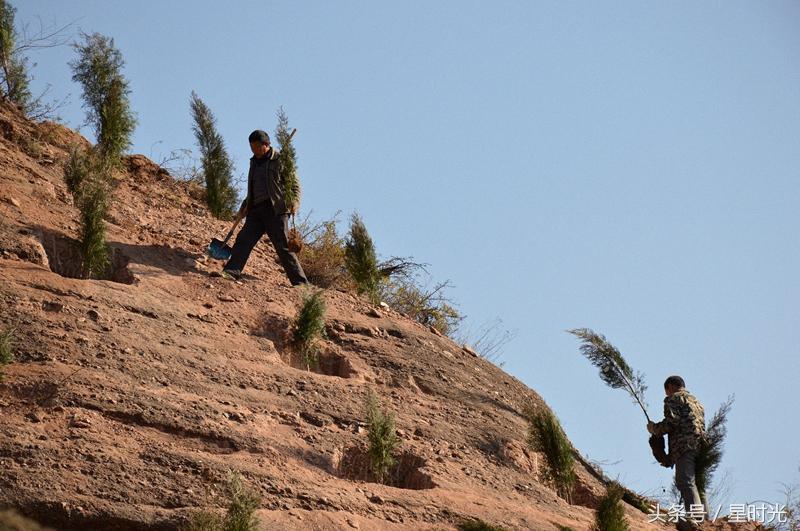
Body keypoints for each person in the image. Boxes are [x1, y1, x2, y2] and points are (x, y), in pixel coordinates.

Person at [219, 130, 308, 285]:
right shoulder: (254, 162)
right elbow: (252, 188)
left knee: (283, 246)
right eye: (251, 147)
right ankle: (231, 271)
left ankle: (301, 283)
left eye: (256, 147)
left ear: (266, 145)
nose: (254, 150)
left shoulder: (280, 160)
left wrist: (294, 203)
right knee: (244, 239)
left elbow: (295, 185)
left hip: (276, 209)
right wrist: (244, 206)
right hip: (255, 209)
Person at [647, 375, 706, 528]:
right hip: (700, 445)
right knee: (696, 481)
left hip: (685, 445)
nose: (666, 394)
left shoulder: (674, 398)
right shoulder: (696, 401)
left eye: (666, 391)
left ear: (670, 387)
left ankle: (695, 518)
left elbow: (672, 422)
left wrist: (654, 429)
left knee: (685, 480)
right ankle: (704, 518)